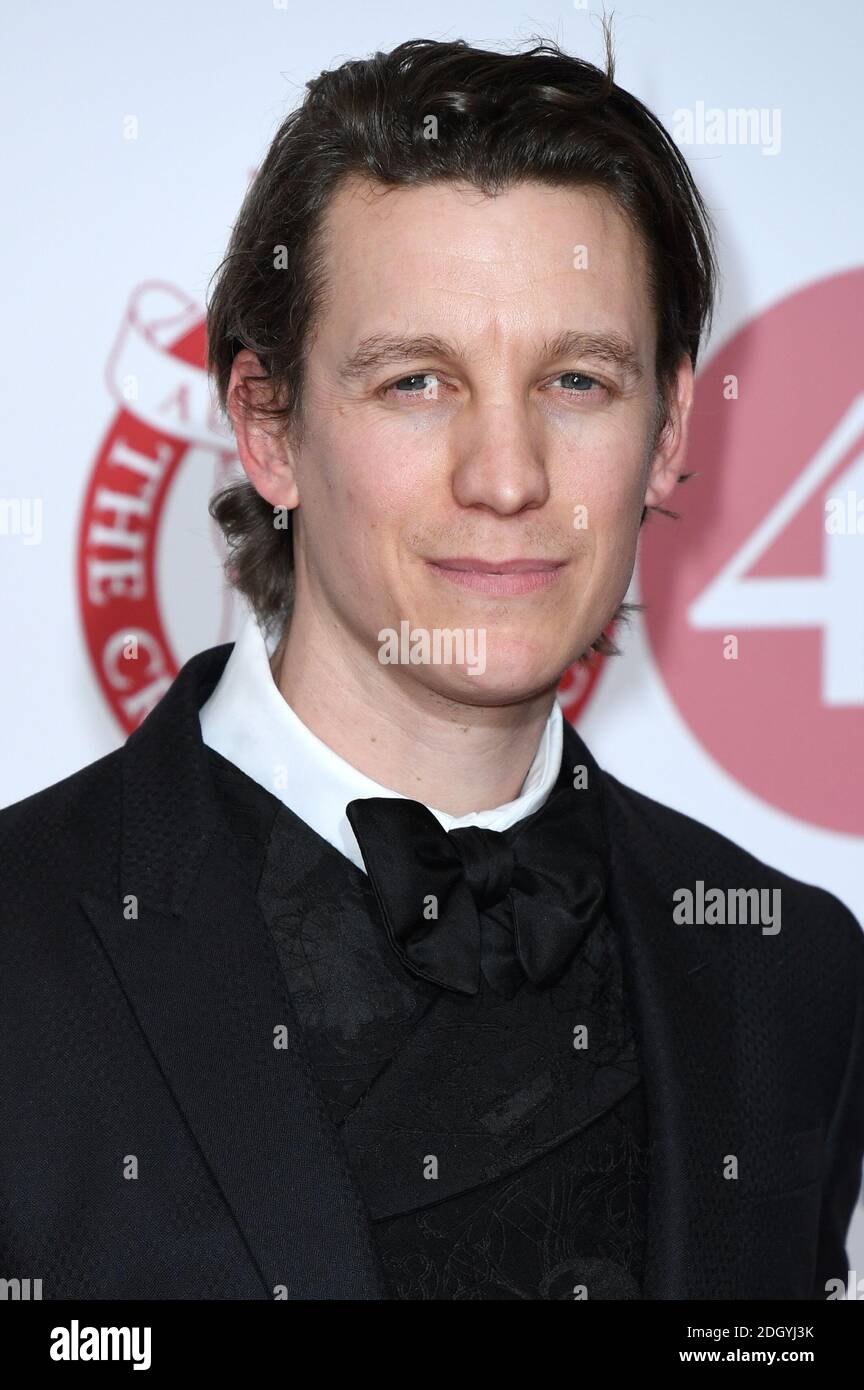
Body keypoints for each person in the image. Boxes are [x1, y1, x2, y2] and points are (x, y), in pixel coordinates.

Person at [1, 29, 862, 1302]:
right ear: (269, 428)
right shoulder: (24, 953)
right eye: (416, 383)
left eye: (576, 379)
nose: (506, 476)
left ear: (669, 429)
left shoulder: (790, 971)